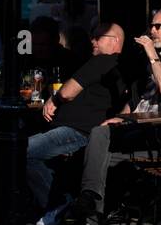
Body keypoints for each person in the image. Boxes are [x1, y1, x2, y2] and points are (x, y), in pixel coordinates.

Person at [59, 10, 161, 225]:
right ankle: (89, 203)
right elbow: (136, 100)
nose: (152, 30)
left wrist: (152, 56)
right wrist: (119, 117)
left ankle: (89, 209)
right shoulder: (150, 62)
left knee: (98, 148)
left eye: (157, 26)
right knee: (99, 136)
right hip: (137, 130)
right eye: (151, 26)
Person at [26, 24, 129, 215]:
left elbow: (67, 92)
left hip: (77, 131)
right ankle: (54, 203)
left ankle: (58, 206)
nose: (93, 41)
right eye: (93, 36)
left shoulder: (102, 61)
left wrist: (54, 99)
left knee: (23, 151)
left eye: (98, 37)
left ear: (115, 40)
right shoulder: (118, 67)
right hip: (80, 130)